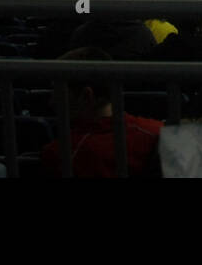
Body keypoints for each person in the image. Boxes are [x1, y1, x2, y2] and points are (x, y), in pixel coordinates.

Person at [41, 48, 164, 177]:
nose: (52, 101)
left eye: (58, 92)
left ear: (86, 96)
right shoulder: (158, 132)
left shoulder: (62, 154)